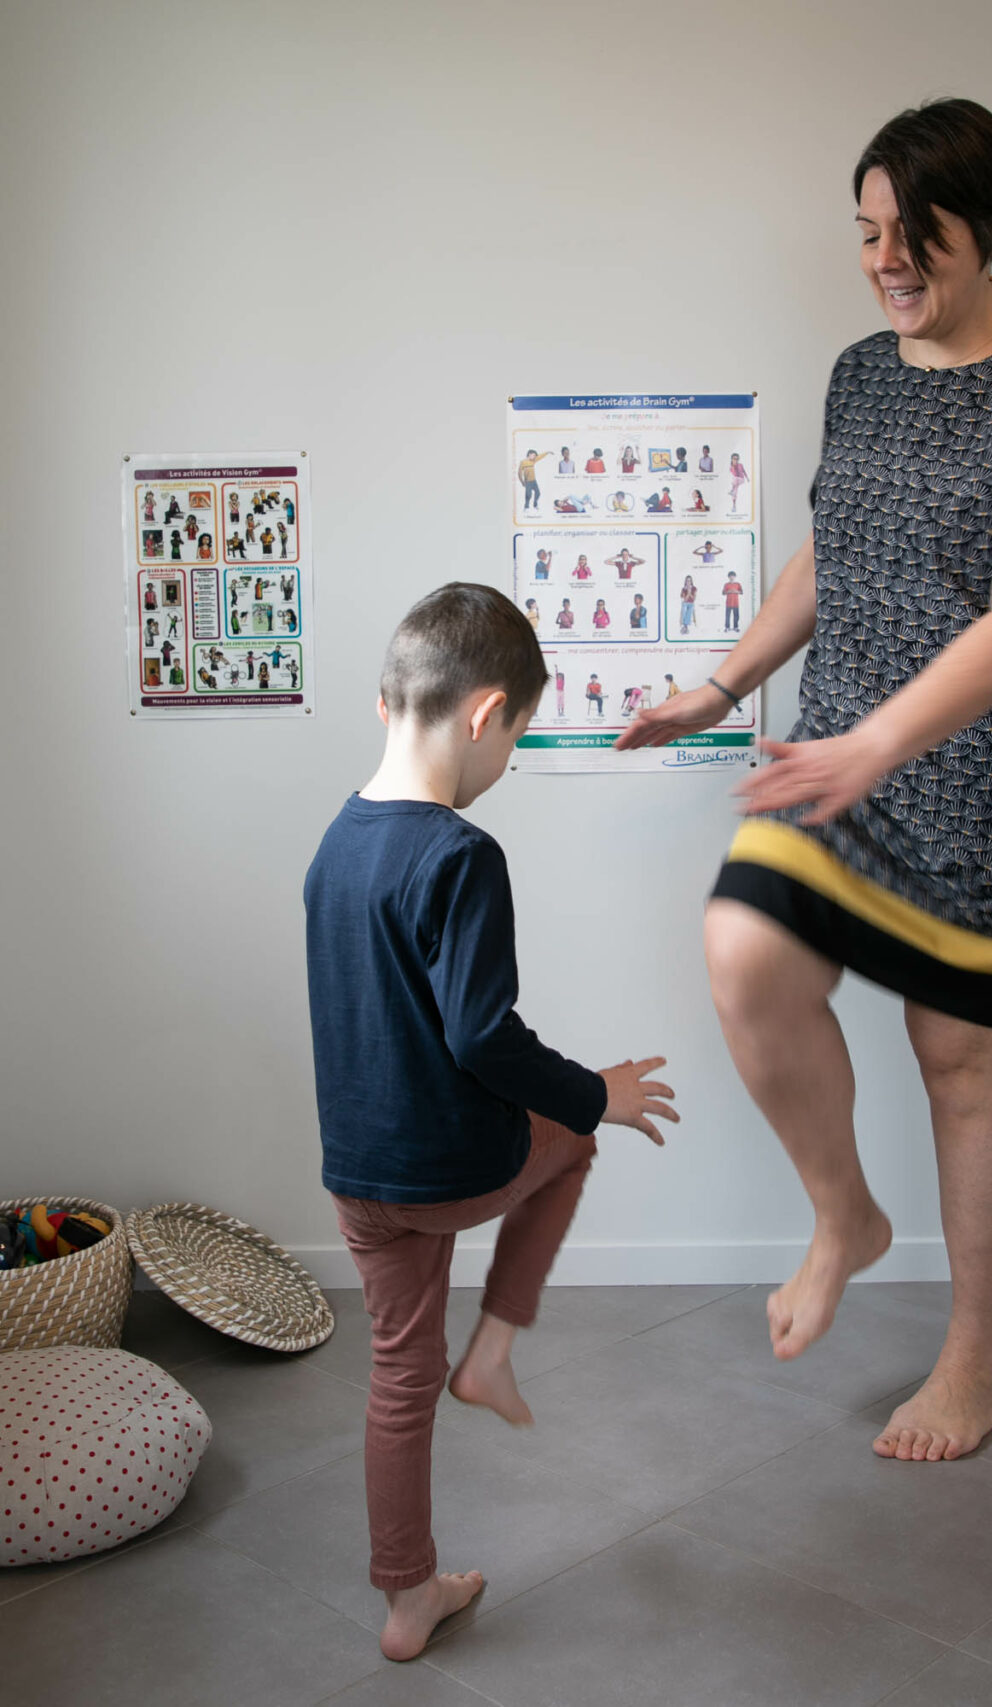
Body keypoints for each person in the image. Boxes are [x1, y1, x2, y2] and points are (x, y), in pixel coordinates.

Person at [617, 97, 992, 1464]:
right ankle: (845, 1211)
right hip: (845, 750)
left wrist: (876, 739)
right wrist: (720, 689)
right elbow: (831, 552)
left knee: (961, 1061)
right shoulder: (863, 370)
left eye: (917, 233)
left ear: (988, 227)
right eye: (870, 231)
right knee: (746, 950)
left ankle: (972, 1362)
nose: (888, 258)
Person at [304, 584, 676, 1662]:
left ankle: (407, 1597)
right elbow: (482, 1040)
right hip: (449, 1169)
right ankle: (496, 1351)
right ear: (484, 716)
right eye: (513, 737)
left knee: (394, 1374)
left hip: (355, 1174)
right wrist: (592, 1092)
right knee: (571, 1146)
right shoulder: (461, 856)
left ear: (387, 704)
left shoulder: (335, 843)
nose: (504, 760)